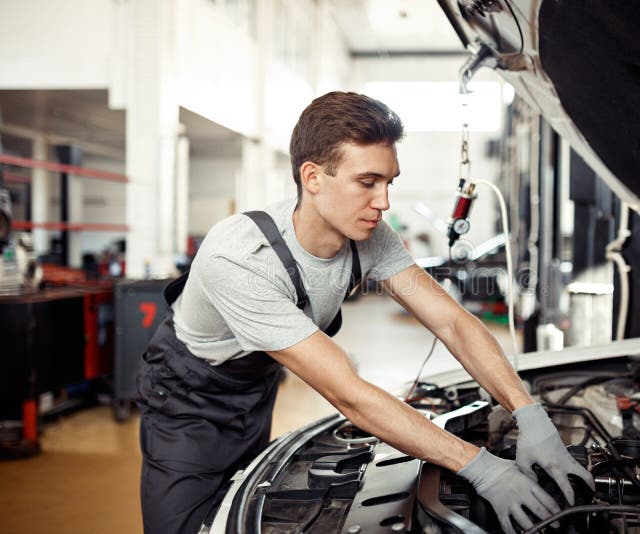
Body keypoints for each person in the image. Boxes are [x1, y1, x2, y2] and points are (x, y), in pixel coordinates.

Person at [136, 91, 594, 534]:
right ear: (312, 177)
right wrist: (481, 469)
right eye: (367, 182)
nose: (384, 202)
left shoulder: (372, 238)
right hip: (187, 398)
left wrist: (531, 416)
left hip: (253, 387)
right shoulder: (240, 259)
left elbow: (451, 320)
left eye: (389, 182)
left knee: (241, 503)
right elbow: (348, 393)